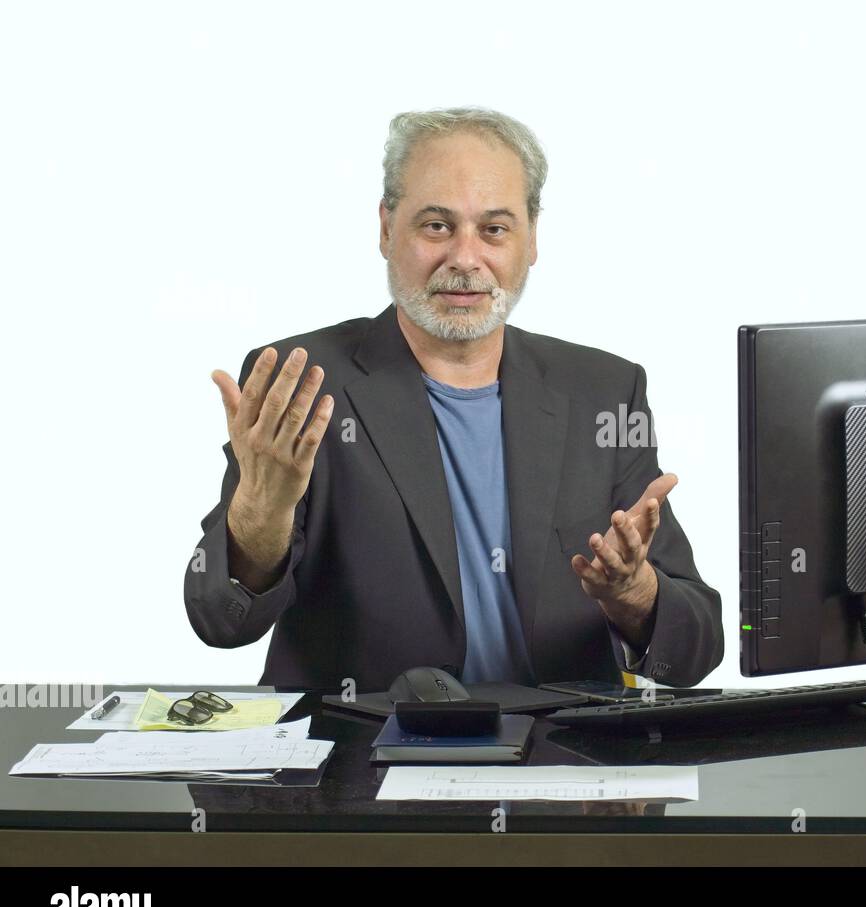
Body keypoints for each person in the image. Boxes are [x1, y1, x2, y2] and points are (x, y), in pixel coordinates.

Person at [183, 107, 724, 693]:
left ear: (532, 239)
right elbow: (220, 620)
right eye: (437, 225)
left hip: (561, 762)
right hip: (361, 764)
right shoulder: (302, 383)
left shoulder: (603, 391)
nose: (465, 259)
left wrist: (632, 592)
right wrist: (263, 512)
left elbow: (697, 651)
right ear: (387, 228)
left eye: (494, 229)